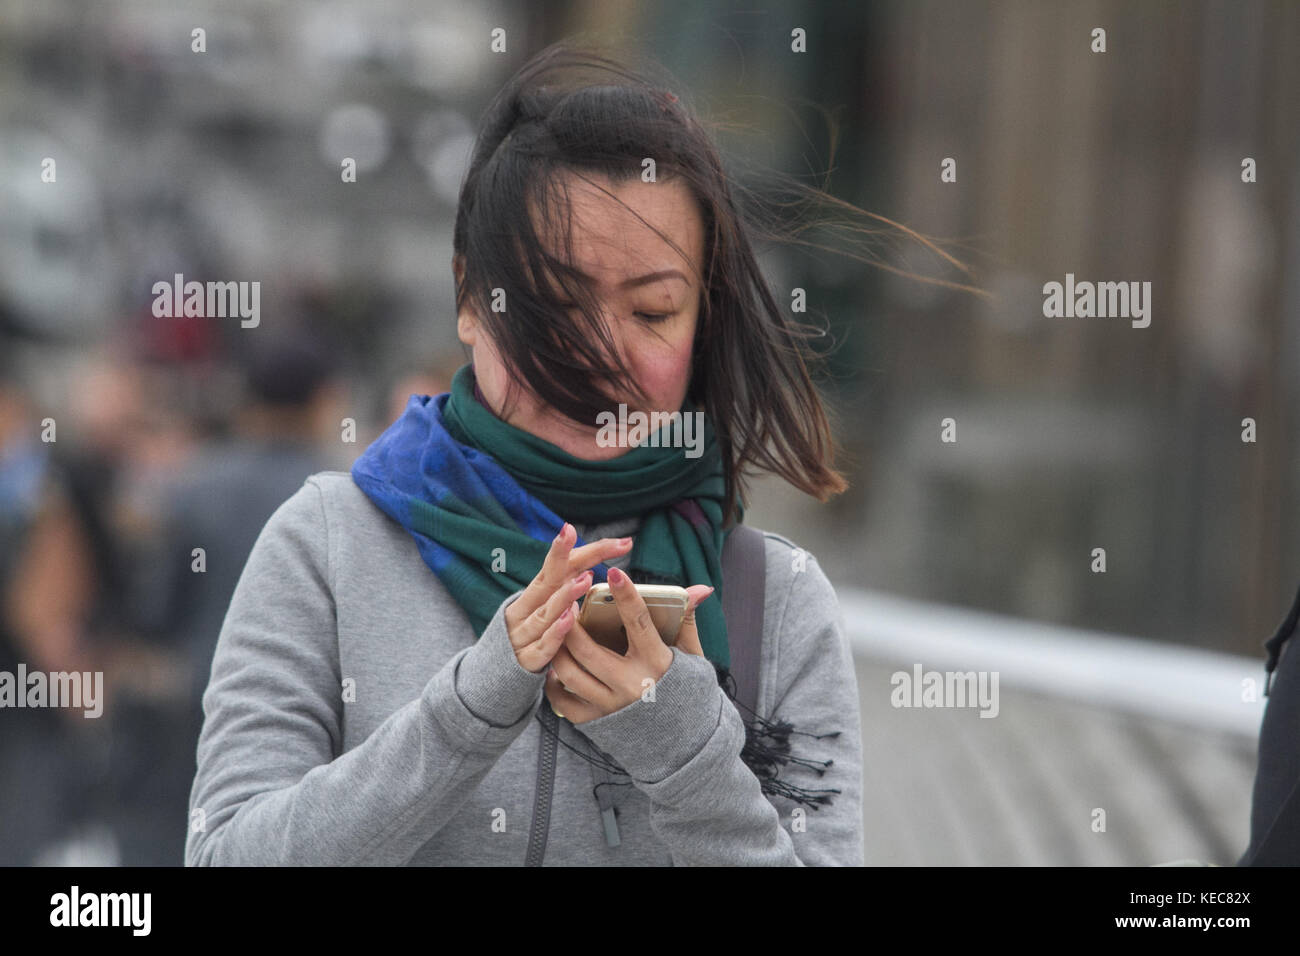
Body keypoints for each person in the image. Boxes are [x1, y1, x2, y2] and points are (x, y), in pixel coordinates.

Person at [187, 42, 868, 866]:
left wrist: (686, 751)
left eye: (653, 311)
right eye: (551, 302)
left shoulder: (776, 602)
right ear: (471, 298)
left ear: (702, 325)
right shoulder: (327, 546)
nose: (599, 357)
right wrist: (469, 711)